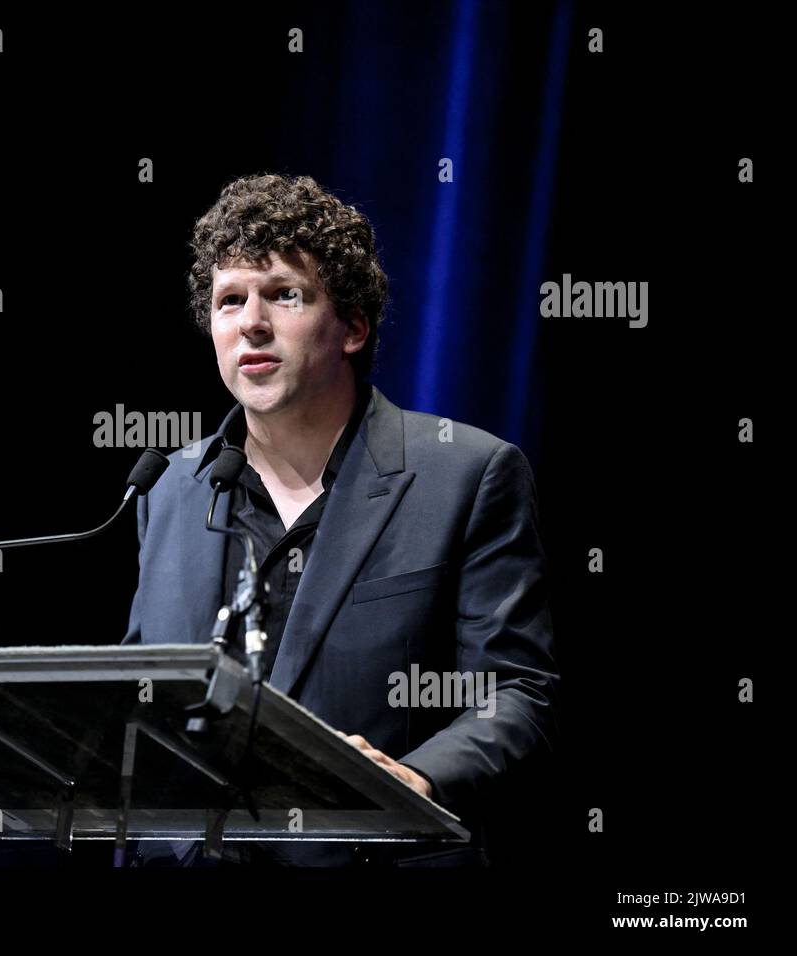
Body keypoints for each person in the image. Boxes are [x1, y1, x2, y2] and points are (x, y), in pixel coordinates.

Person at [121, 173, 560, 866]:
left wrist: (417, 778)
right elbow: (140, 706)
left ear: (353, 326)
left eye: (284, 295)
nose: (252, 323)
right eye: (230, 300)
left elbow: (516, 693)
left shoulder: (468, 474)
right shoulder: (168, 488)